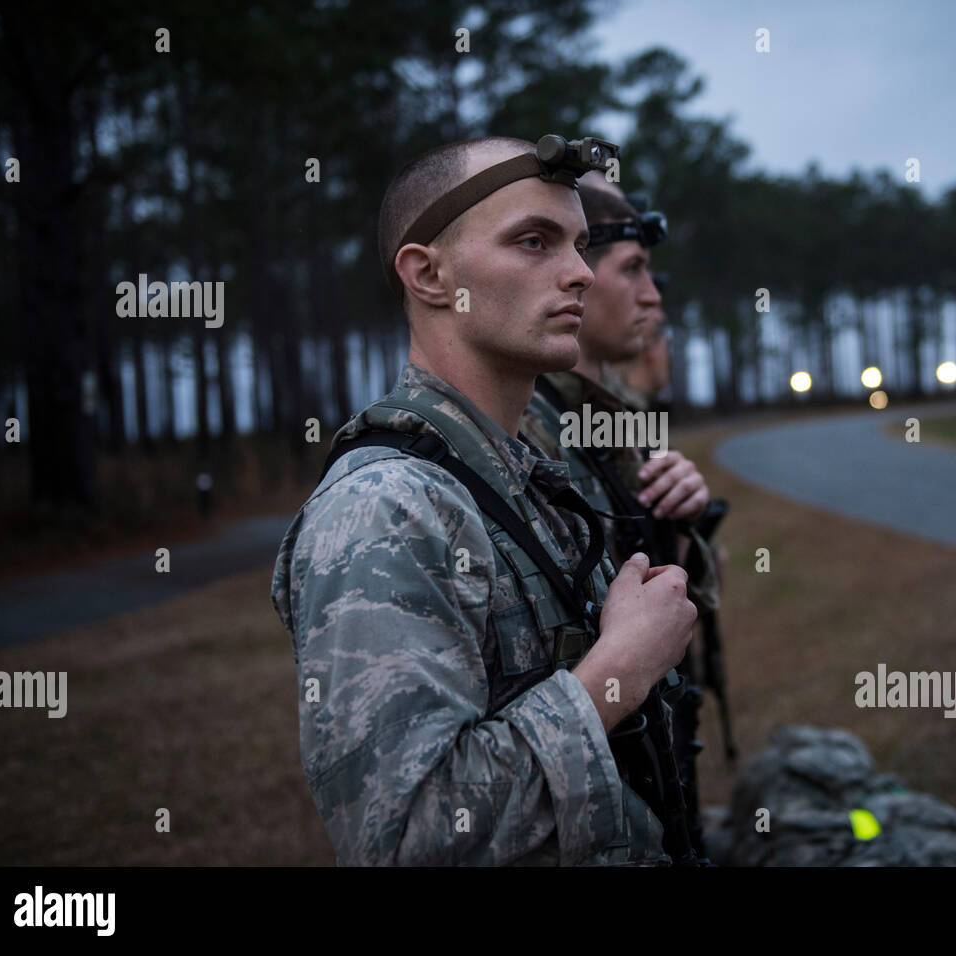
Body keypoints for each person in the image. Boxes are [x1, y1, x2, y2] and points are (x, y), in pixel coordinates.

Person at [270, 134, 698, 866]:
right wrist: (618, 670)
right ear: (428, 275)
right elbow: (412, 839)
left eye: (581, 245)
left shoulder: (526, 476)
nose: (580, 275)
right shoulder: (386, 507)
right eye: (534, 242)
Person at [520, 173, 722, 858]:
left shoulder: (605, 414)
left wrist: (686, 515)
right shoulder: (523, 421)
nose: (652, 295)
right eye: (632, 269)